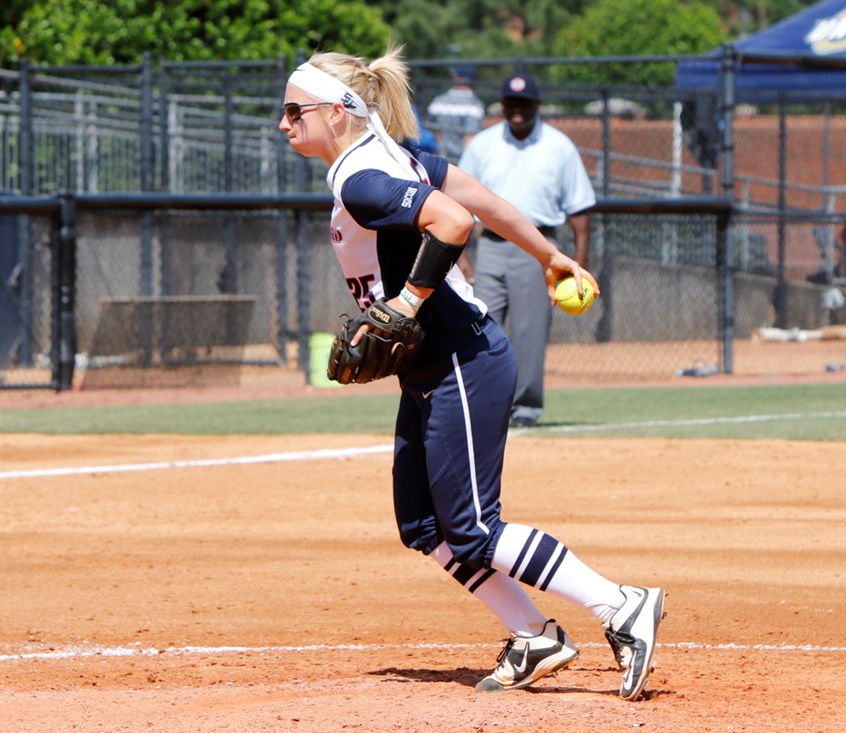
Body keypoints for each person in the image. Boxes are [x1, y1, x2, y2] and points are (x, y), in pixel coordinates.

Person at [278, 47, 664, 701]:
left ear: (339, 113)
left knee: (475, 527)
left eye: (294, 111)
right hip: (434, 365)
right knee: (423, 524)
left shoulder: (363, 178)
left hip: (464, 357)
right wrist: (550, 256)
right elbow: (485, 200)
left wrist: (405, 302)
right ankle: (535, 633)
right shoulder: (392, 159)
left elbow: (456, 220)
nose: (283, 123)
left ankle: (621, 604)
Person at [458, 72, 595, 429]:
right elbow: (457, 205)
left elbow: (579, 212)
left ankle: (525, 409)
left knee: (530, 332)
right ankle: (478, 405)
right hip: (489, 247)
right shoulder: (482, 145)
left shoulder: (559, 146)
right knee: (476, 327)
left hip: (538, 250)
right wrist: (461, 256)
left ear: (537, 105)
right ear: (502, 105)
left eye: (524, 103)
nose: (517, 109)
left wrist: (578, 264)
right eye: (510, 103)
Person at [425, 65, 486, 164]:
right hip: (462, 161)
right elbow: (470, 136)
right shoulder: (475, 104)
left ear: (456, 78)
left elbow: (432, 130)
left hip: (438, 159)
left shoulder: (439, 101)